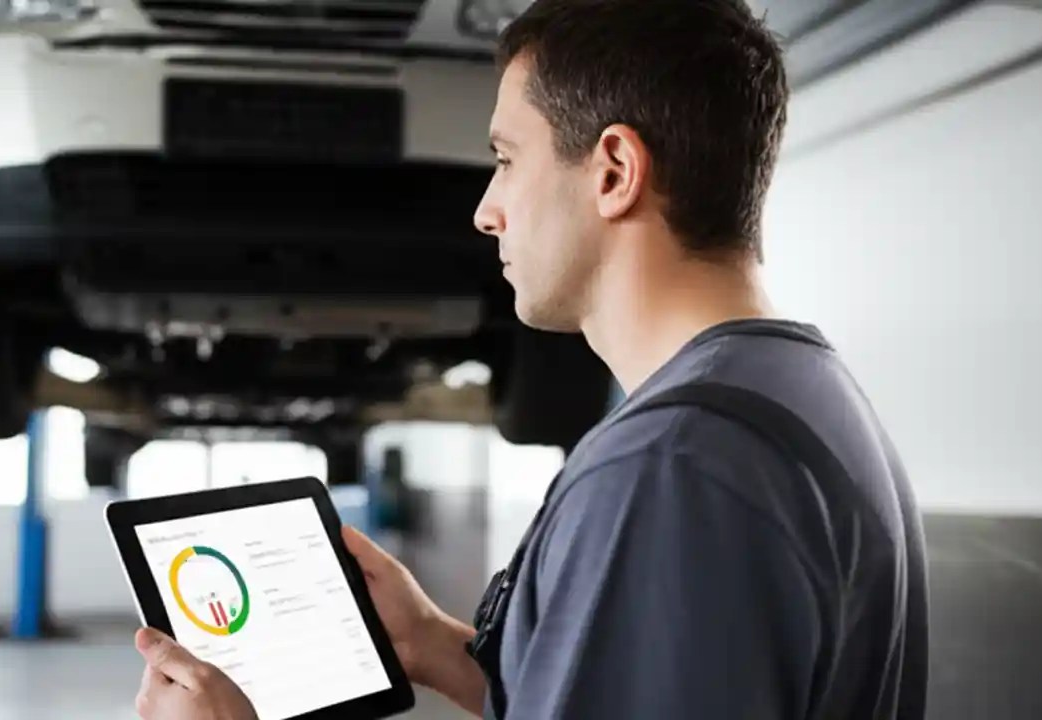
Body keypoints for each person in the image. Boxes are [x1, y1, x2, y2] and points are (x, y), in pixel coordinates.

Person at [131, 0, 930, 718]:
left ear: (613, 172)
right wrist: (438, 647)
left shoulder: (666, 465)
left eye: (507, 159)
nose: (487, 210)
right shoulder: (803, 392)